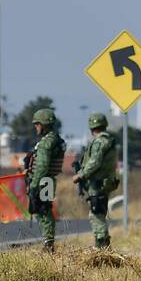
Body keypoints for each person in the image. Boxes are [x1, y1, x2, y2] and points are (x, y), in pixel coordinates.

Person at [72, 112, 120, 249]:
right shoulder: (110, 140)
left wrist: (80, 175)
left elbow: (94, 163)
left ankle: (102, 246)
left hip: (98, 183)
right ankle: (103, 244)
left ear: (92, 128)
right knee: (100, 212)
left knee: (96, 215)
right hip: (106, 182)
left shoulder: (99, 142)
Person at [26, 107, 65, 251]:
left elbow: (42, 166)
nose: (35, 127)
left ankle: (48, 243)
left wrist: (34, 186)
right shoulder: (56, 139)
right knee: (44, 210)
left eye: (37, 124)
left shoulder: (46, 143)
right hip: (48, 181)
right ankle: (48, 241)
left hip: (43, 182)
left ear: (44, 124)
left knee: (43, 210)